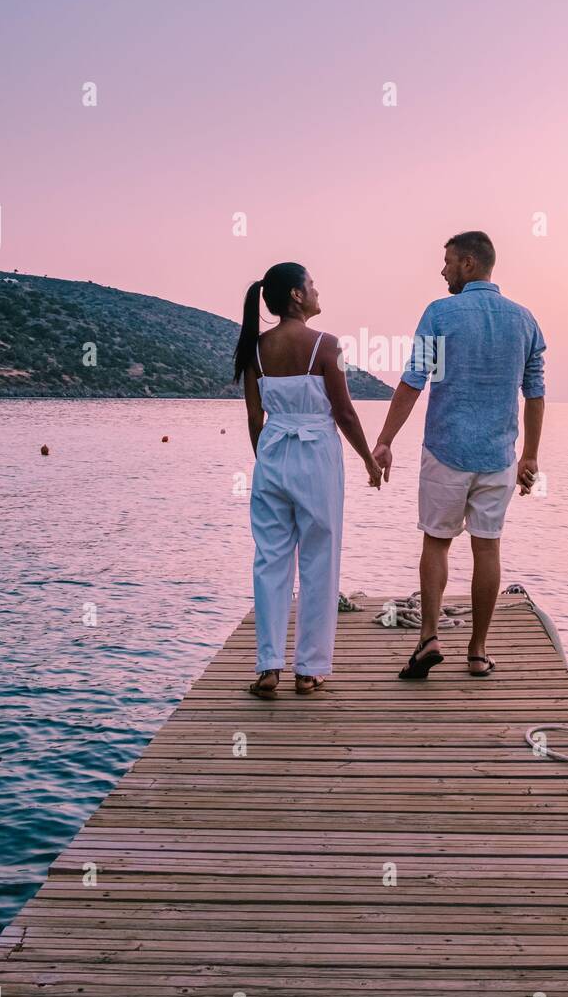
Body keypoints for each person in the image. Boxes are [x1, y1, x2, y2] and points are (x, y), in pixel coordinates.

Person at [373, 232, 546, 678]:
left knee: (436, 540)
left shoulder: (440, 312)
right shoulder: (525, 320)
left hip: (446, 450)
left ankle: (429, 637)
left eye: (448, 261)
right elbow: (535, 393)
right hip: (498, 455)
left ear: (469, 263)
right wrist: (530, 455)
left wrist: (385, 439)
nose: (443, 270)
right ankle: (477, 652)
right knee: (487, 547)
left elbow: (414, 381)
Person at [234, 263, 383, 698]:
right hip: (316, 453)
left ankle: (267, 667)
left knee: (270, 560)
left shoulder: (255, 350)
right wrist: (369, 463)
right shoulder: (326, 344)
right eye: (313, 285)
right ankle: (310, 669)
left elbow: (253, 418)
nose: (318, 292)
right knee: (319, 559)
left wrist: (267, 459)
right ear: (297, 296)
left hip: (272, 452)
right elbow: (344, 412)